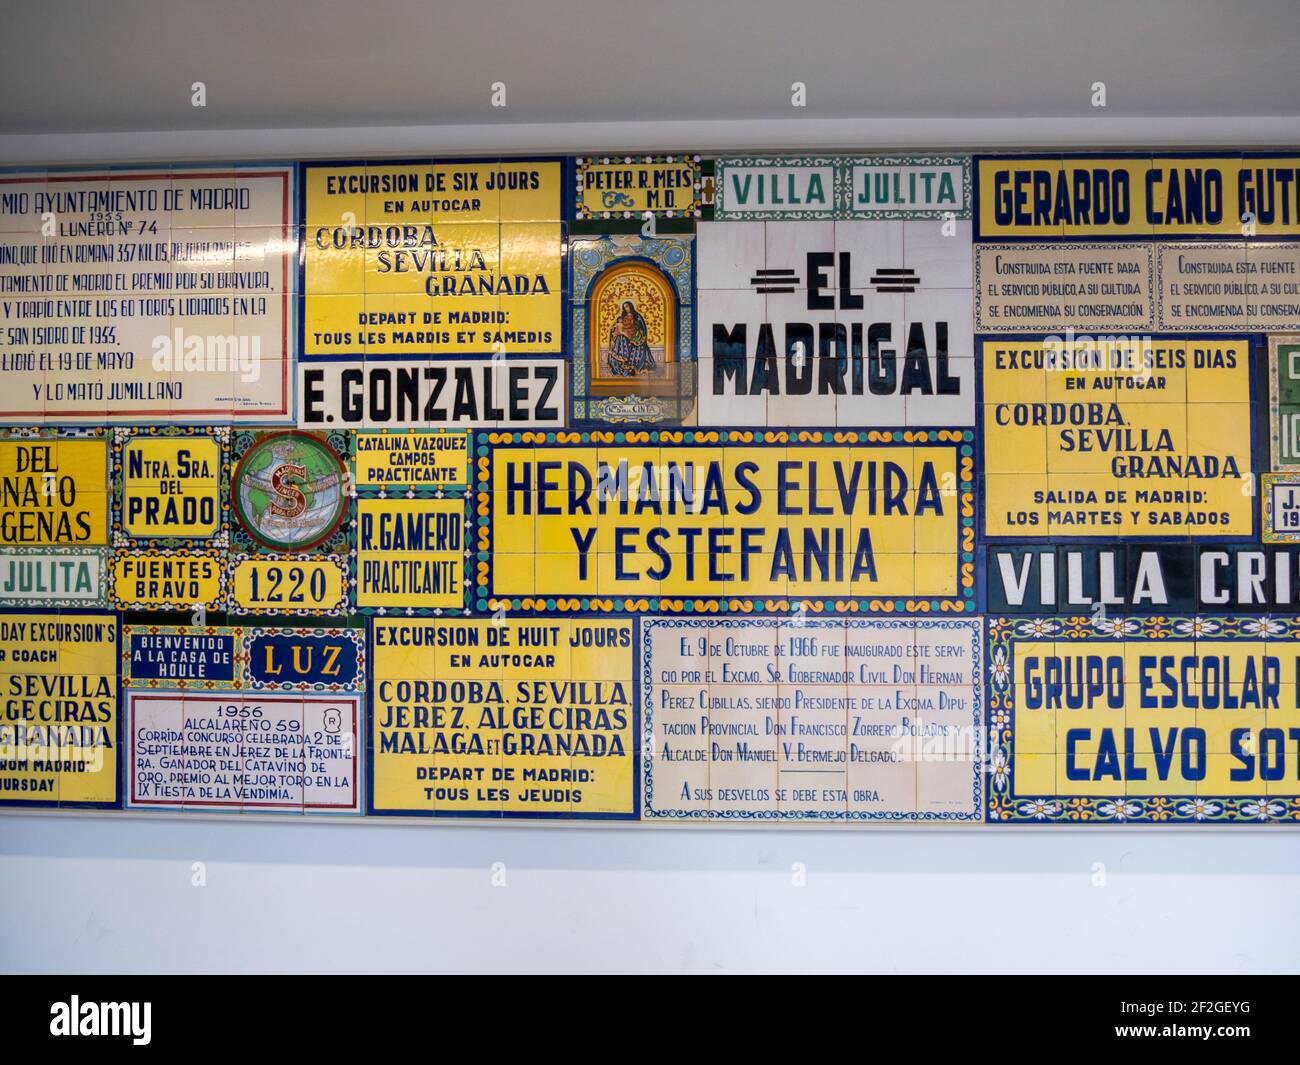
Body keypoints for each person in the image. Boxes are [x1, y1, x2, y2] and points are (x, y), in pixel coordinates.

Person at [606, 299, 656, 375]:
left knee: (623, 336)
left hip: (636, 335)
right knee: (619, 338)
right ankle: (622, 362)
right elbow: (619, 324)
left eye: (627, 306)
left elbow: (641, 327)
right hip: (626, 334)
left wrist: (631, 328)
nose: (626, 308)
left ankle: (631, 365)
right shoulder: (623, 317)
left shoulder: (637, 316)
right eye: (624, 307)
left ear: (631, 306)